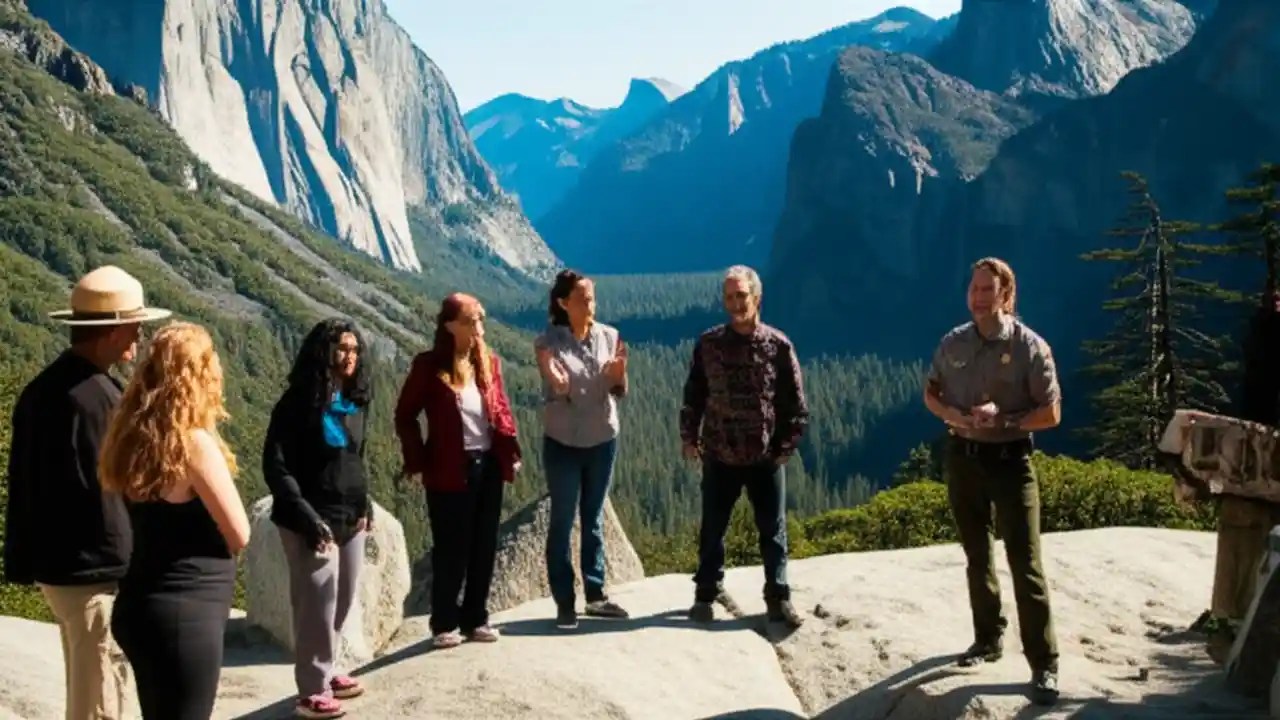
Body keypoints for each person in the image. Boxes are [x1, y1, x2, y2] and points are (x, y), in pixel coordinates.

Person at [3, 265, 172, 720]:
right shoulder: (97, 398)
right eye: (135, 324)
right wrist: (134, 560)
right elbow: (109, 491)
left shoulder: (46, 388)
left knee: (85, 678)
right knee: (100, 694)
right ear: (113, 330)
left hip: (58, 567)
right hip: (92, 572)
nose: (139, 334)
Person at [922, 256, 1061, 706]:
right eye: (974, 288)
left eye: (987, 290)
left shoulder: (1030, 347)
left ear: (1007, 295)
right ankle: (987, 639)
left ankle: (1044, 663)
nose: (978, 297)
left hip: (1011, 460)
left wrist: (1006, 419)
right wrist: (951, 414)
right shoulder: (952, 343)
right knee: (976, 554)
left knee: (1026, 563)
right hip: (962, 457)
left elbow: (1053, 413)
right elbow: (932, 392)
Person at [99, 321, 251, 719]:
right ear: (199, 375)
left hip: (140, 602)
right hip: (188, 612)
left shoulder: (131, 436)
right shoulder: (194, 445)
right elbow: (239, 532)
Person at [679, 265, 807, 628]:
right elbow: (694, 394)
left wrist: (784, 448)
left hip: (764, 457)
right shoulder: (708, 344)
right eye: (730, 297)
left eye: (742, 296)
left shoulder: (778, 346)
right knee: (712, 528)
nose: (736, 304)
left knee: (773, 530)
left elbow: (795, 404)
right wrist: (689, 437)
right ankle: (705, 594)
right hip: (719, 453)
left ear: (757, 298)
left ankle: (778, 599)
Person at [394, 292, 522, 649]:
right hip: (448, 468)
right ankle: (444, 621)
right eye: (470, 321)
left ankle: (476, 617)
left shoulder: (489, 363)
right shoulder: (428, 367)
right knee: (452, 547)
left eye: (481, 319)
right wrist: (416, 461)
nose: (478, 328)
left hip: (487, 465)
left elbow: (501, 409)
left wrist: (508, 450)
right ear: (449, 325)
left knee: (484, 544)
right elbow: (405, 416)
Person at [263, 318, 374, 719]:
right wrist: (307, 516)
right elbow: (275, 466)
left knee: (342, 599)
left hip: (350, 516)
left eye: (354, 350)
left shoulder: (356, 400)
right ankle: (311, 690)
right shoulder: (296, 404)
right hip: (308, 518)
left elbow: (356, 458)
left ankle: (329, 670)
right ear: (322, 353)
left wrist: (366, 505)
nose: (349, 357)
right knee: (316, 605)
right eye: (341, 349)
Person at [534, 270, 631, 629]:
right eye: (583, 298)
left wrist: (620, 373)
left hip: (603, 439)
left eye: (592, 297)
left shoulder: (610, 336)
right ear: (563, 303)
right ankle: (564, 602)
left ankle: (596, 594)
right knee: (562, 520)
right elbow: (557, 386)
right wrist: (554, 375)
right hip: (563, 443)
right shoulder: (548, 342)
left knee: (593, 518)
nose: (591, 304)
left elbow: (621, 390)